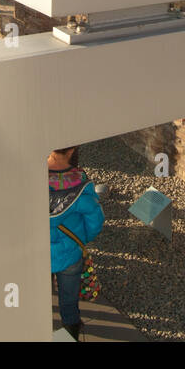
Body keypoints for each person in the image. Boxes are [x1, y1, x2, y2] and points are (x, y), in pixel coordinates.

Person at [49, 145, 104, 341]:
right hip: (70, 254)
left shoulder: (31, 178)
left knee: (37, 295)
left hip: (38, 255)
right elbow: (95, 221)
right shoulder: (82, 184)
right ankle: (70, 332)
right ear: (72, 150)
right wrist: (82, 240)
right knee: (69, 298)